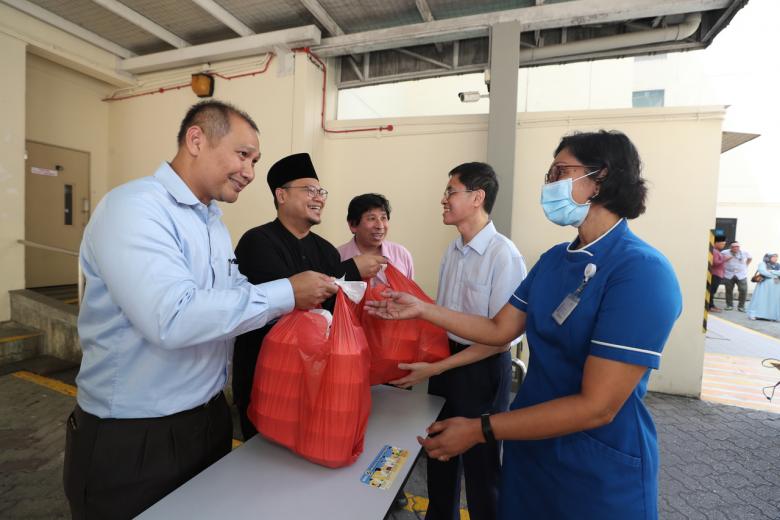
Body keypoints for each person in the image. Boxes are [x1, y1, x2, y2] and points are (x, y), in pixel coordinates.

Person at [367, 131, 682, 520]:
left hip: (594, 464)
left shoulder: (642, 271)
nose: (550, 184)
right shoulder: (553, 261)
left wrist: (481, 429)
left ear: (600, 179)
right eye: (550, 173)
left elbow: (598, 406)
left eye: (561, 172)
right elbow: (500, 328)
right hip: (530, 448)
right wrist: (420, 309)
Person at [63, 100, 338, 520]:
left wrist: (305, 305)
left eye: (255, 160)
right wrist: (285, 293)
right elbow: (170, 317)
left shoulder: (211, 221)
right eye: (242, 155)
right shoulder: (136, 208)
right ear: (196, 139)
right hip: (138, 435)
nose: (250, 171)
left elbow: (231, 291)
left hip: (207, 419)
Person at [396, 162, 527, 520]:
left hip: (482, 370)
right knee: (439, 454)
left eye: (450, 191)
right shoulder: (452, 252)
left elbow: (501, 339)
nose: (443, 199)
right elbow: (442, 318)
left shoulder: (504, 256)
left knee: (482, 469)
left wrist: (436, 367)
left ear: (476, 197)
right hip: (445, 362)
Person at [232, 153, 386, 440]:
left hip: (316, 381)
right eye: (310, 190)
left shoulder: (326, 251)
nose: (319, 198)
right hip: (267, 381)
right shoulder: (257, 242)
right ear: (281, 195)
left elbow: (332, 311)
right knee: (264, 467)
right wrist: (352, 269)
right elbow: (293, 299)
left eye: (321, 192)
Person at [337, 193, 414, 283]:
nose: (380, 226)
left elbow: (410, 293)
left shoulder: (401, 254)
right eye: (371, 218)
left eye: (383, 218)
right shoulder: (337, 257)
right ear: (353, 225)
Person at [747, 253, 780, 321]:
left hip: (775, 286)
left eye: (776, 257)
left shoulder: (778, 265)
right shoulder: (763, 264)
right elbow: (763, 272)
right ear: (768, 258)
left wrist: (771, 271)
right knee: (760, 299)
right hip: (764, 286)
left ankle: (769, 316)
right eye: (773, 257)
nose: (775, 259)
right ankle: (755, 314)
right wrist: (775, 274)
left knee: (772, 301)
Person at [722, 240, 752, 311]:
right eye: (734, 247)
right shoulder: (724, 252)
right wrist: (729, 257)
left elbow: (750, 258)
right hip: (729, 274)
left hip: (741, 274)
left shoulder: (744, 252)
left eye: (737, 246)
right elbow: (721, 260)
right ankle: (729, 305)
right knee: (728, 290)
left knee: (743, 290)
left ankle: (741, 306)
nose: (736, 248)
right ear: (730, 247)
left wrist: (746, 265)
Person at [709, 237, 727, 312]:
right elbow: (715, 263)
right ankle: (710, 306)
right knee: (712, 291)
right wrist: (725, 259)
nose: (723, 245)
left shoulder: (717, 251)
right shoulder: (714, 251)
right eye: (722, 244)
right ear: (716, 243)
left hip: (718, 274)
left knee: (713, 291)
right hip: (715, 274)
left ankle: (711, 305)